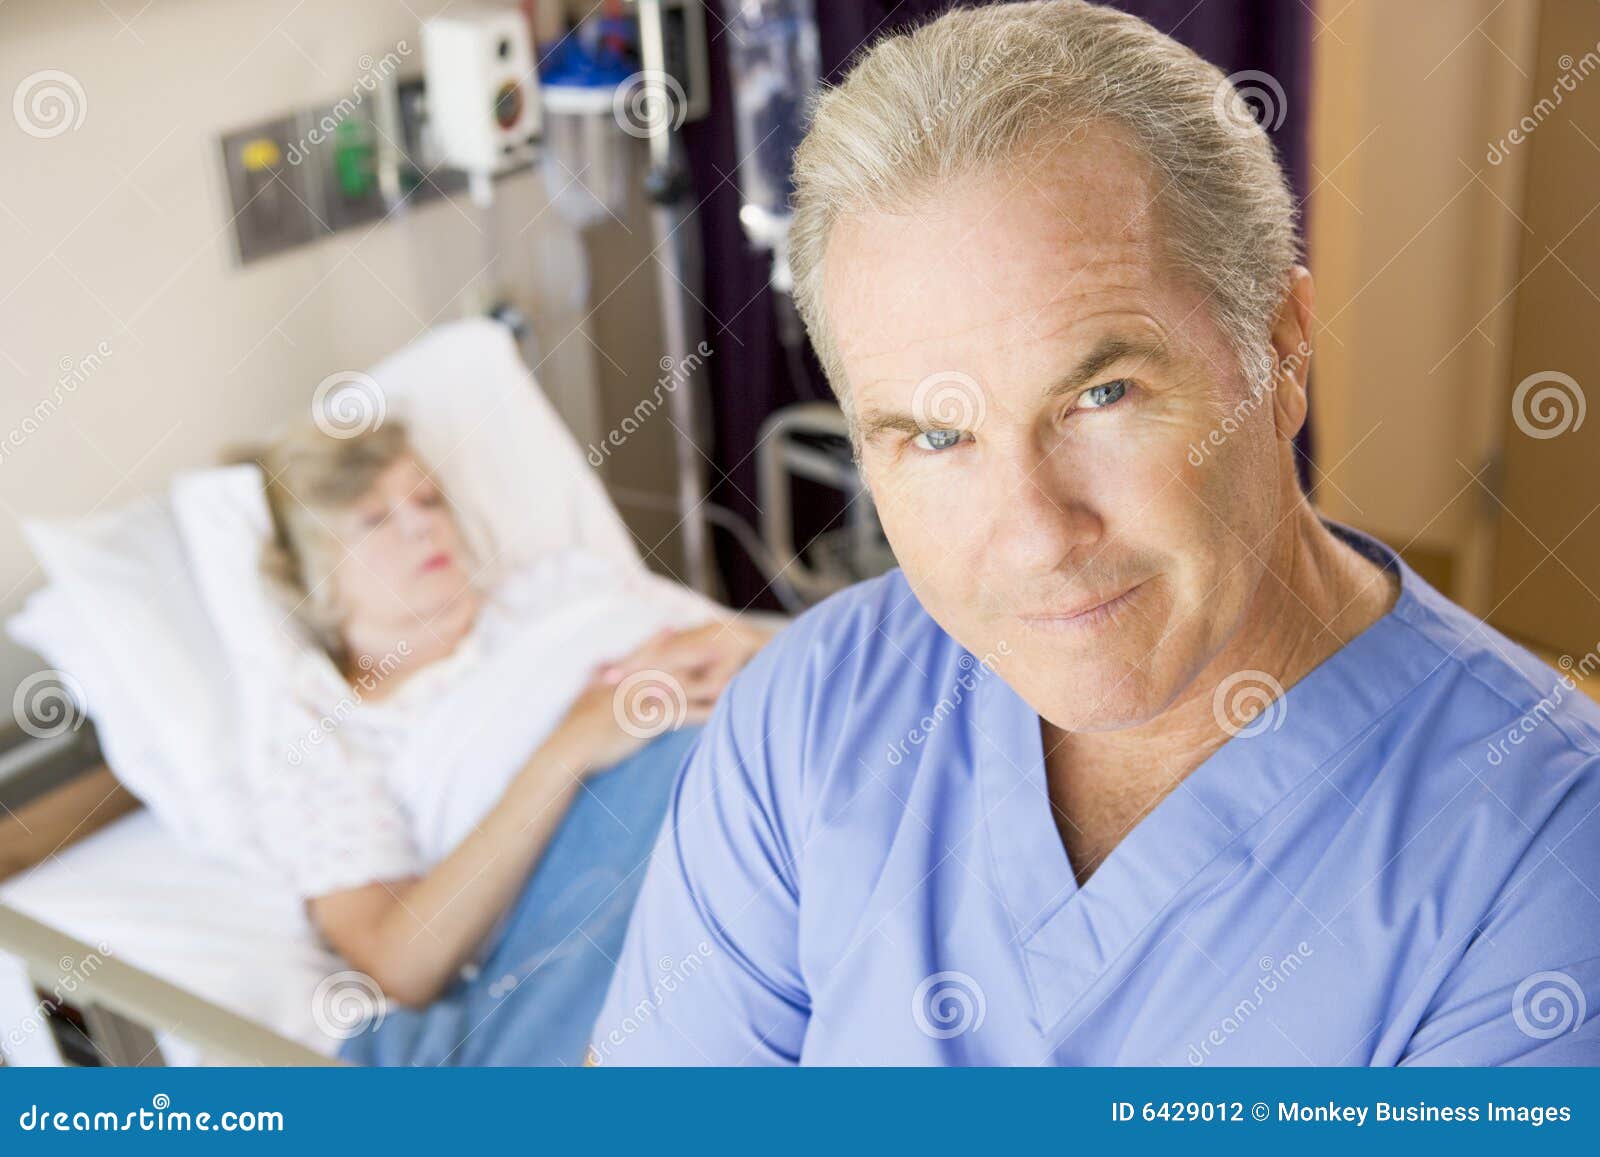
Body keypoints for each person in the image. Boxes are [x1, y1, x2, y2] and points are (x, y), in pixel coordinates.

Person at [591, 0, 1600, 1065]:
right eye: (937, 434)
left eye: (1102, 394)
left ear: (1283, 351)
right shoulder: (804, 719)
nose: (1033, 534)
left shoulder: (1539, 866)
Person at [232, 420, 772, 1016]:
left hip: (758, 742)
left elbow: (755, 644)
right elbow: (398, 963)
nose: (422, 526)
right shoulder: (328, 728)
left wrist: (732, 644)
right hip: (633, 854)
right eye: (374, 520)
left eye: (428, 500)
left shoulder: (561, 584)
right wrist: (576, 741)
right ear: (307, 571)